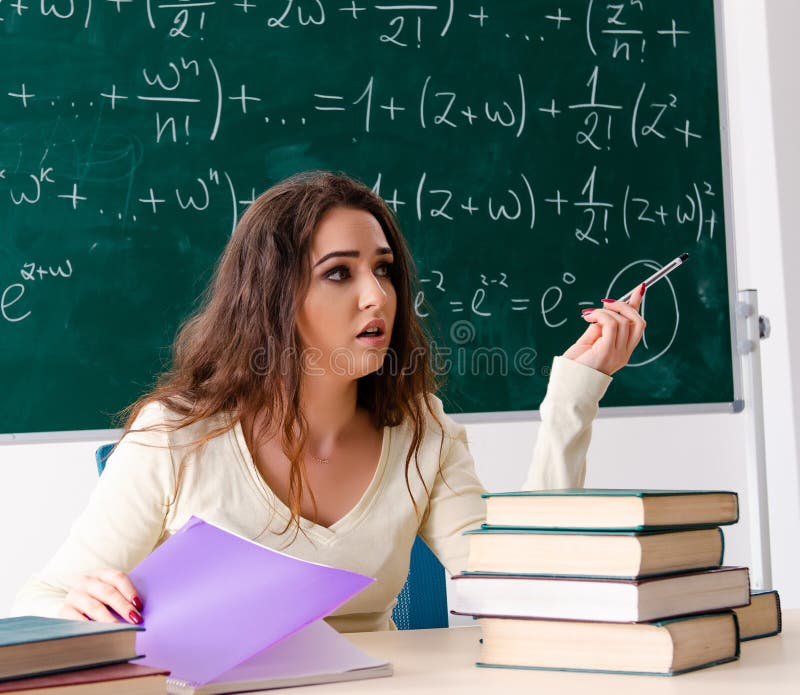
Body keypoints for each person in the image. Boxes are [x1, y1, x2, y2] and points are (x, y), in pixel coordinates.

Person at [12, 171, 646, 632]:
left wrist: (574, 395)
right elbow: (42, 599)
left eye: (385, 269)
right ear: (272, 297)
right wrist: (81, 606)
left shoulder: (421, 429)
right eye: (339, 273)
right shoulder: (178, 434)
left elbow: (521, 584)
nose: (377, 296)